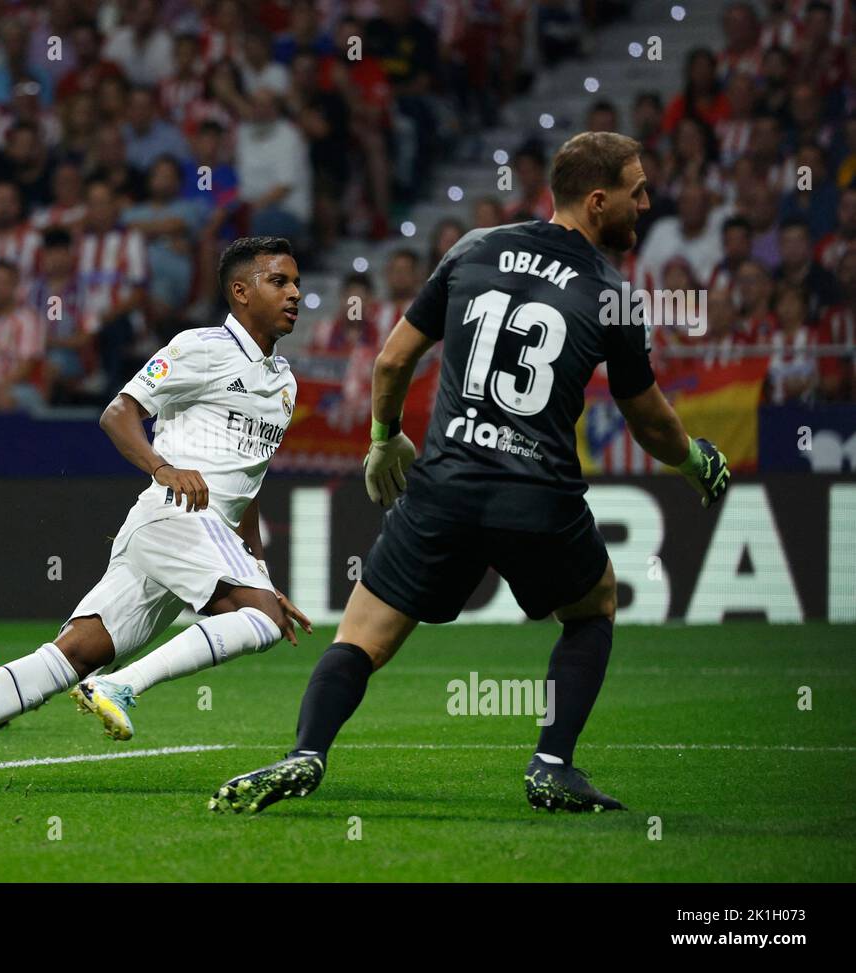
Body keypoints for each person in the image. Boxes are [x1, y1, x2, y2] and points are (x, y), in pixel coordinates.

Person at [210, 132, 731, 815]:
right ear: (598, 202)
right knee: (594, 604)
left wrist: (383, 437)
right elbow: (651, 421)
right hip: (538, 496)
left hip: (445, 484)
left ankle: (307, 750)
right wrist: (696, 458)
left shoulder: (472, 248)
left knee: (361, 635)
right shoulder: (613, 294)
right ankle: (552, 763)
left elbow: (393, 361)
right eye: (637, 192)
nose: (646, 202)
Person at [0, 237, 314, 791]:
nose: (295, 293)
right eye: (279, 281)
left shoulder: (283, 383)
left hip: (195, 533)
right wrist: (163, 467)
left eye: (296, 282)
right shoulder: (201, 347)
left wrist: (258, 572)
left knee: (76, 652)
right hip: (174, 514)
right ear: (240, 291)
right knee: (262, 623)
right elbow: (118, 414)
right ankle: (120, 687)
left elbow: (246, 484)